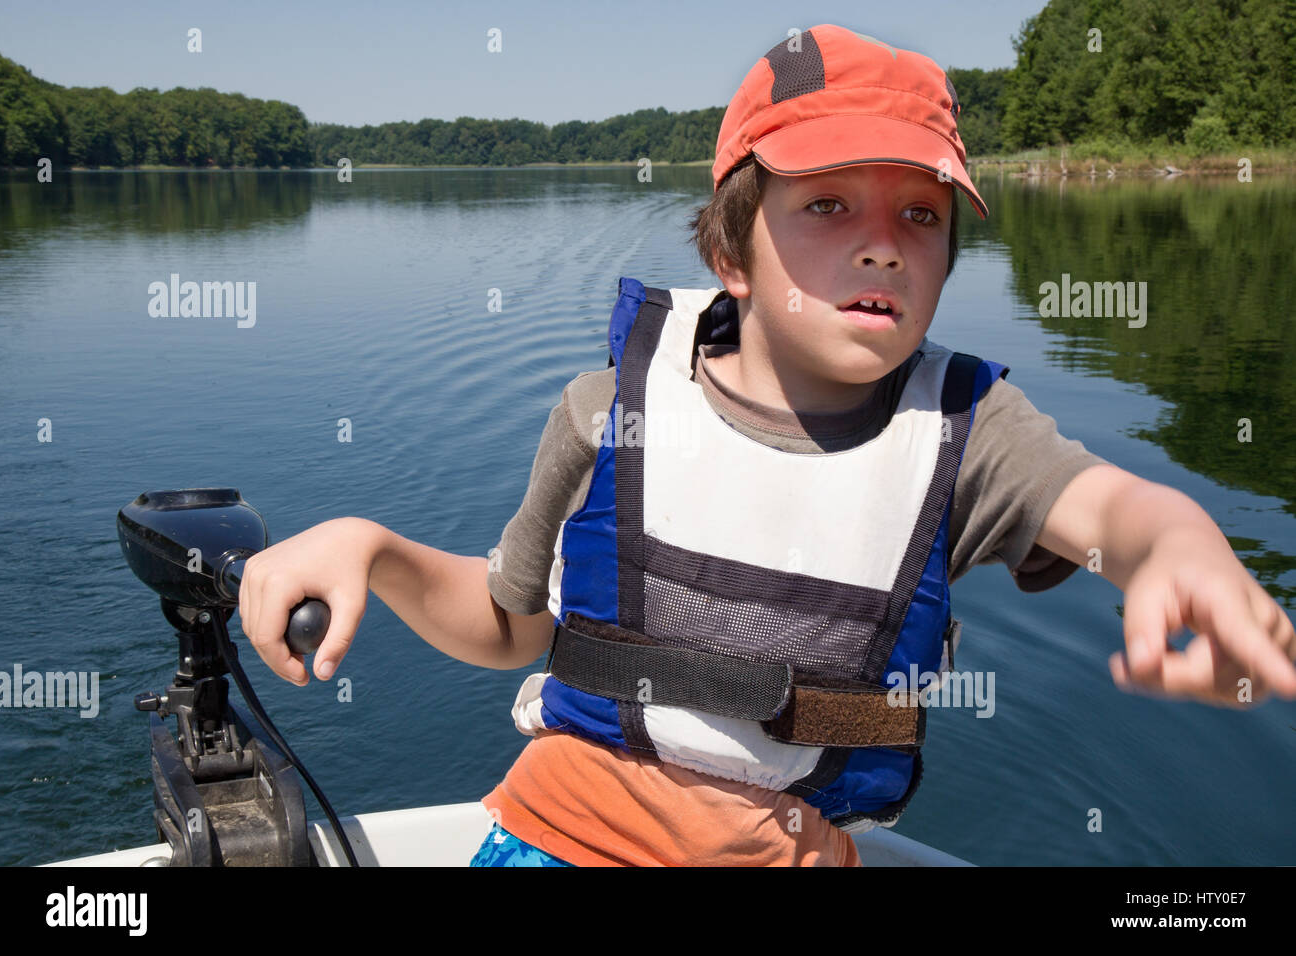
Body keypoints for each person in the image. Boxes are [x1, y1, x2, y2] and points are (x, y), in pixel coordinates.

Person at [237, 25, 1296, 867]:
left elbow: (1119, 512)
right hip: (559, 840)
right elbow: (512, 626)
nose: (883, 239)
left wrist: (1185, 557)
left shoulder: (969, 434)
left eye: (921, 214)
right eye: (826, 203)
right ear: (728, 249)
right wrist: (369, 544)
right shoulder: (607, 409)